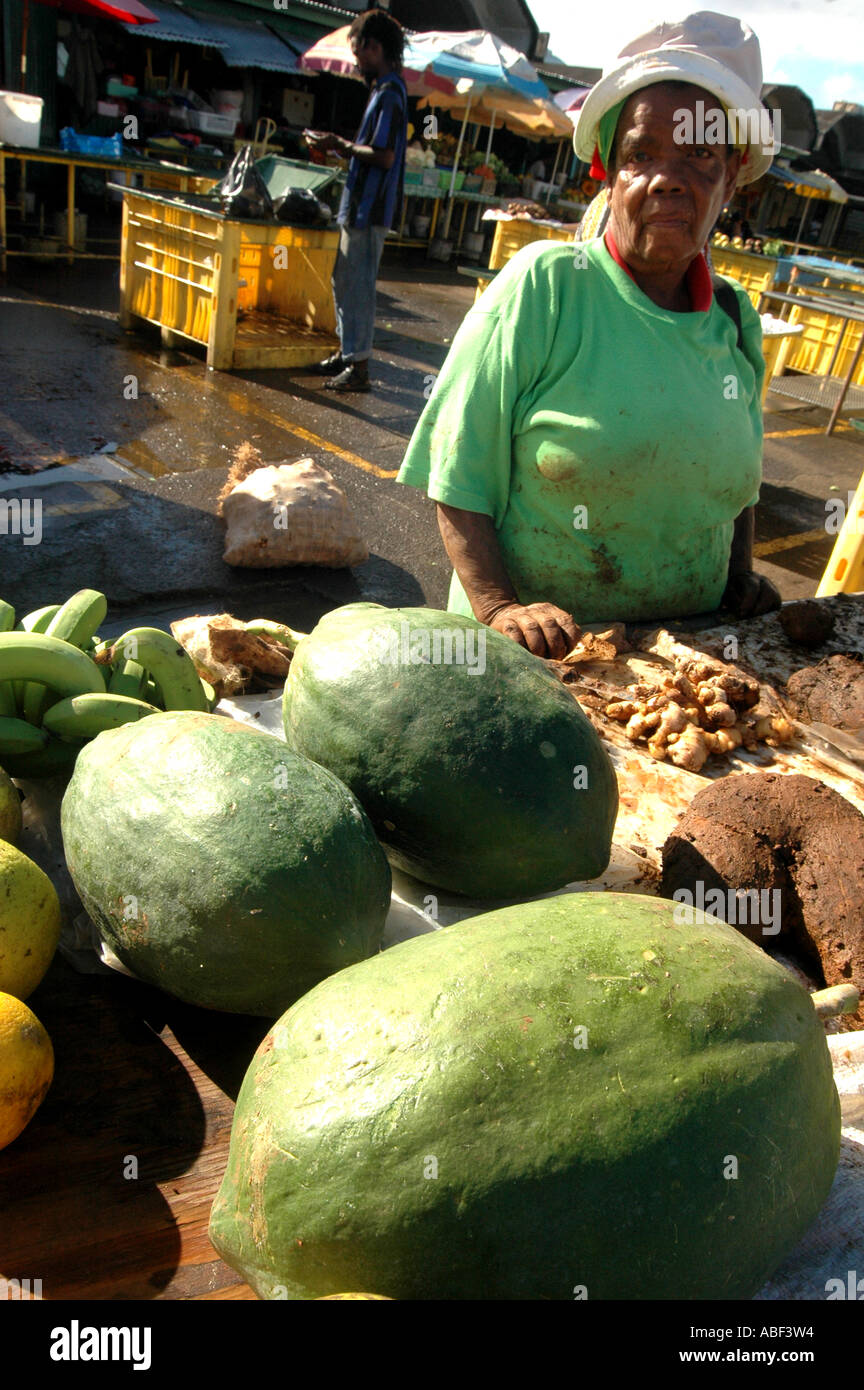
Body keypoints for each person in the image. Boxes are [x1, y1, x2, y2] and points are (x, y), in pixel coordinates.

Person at [398, 11, 781, 658]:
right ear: (607, 168)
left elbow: (738, 490)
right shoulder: (546, 287)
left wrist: (739, 577)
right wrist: (499, 608)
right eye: (641, 155)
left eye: (701, 157)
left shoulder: (734, 318)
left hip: (687, 671)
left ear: (732, 179)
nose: (667, 178)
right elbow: (456, 471)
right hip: (534, 667)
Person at [304, 10, 408, 393]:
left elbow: (383, 156)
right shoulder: (382, 91)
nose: (357, 59)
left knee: (358, 285)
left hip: (370, 209)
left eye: (359, 50)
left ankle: (359, 366)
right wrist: (339, 151)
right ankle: (348, 352)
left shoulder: (390, 94)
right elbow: (371, 152)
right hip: (360, 205)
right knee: (344, 280)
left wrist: (339, 144)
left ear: (374, 48)